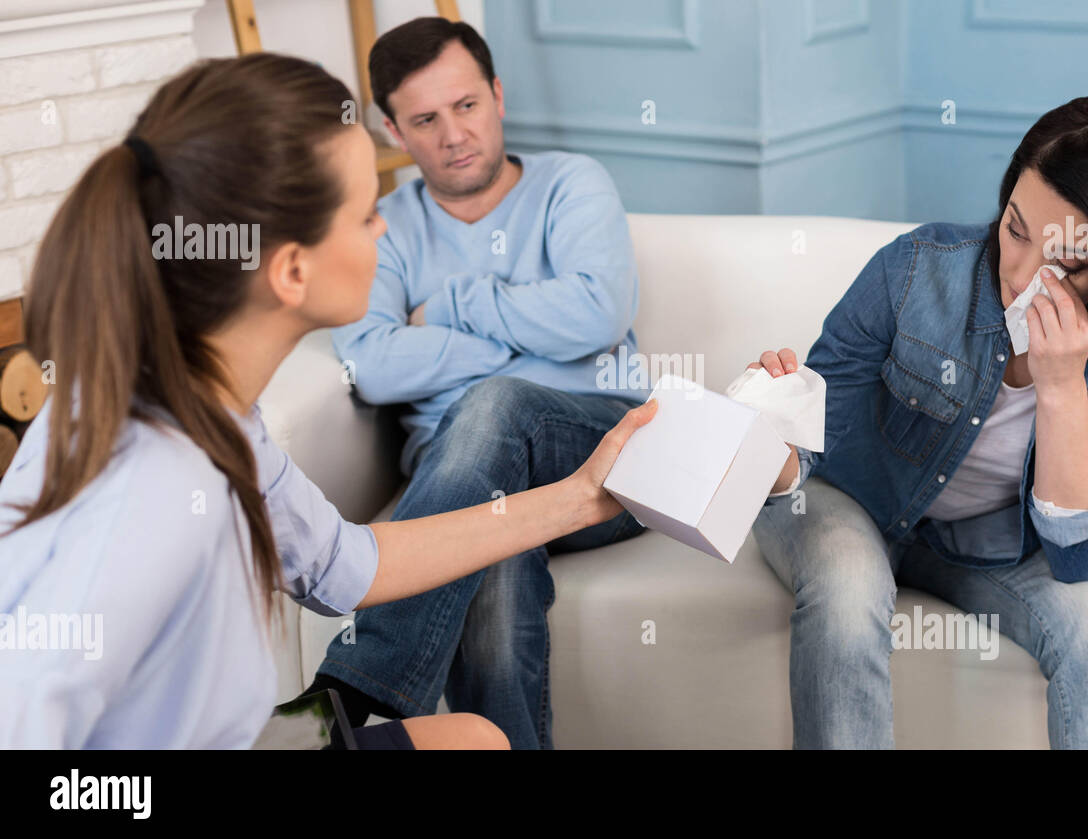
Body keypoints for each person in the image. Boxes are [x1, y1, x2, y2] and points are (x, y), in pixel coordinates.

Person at [0, 52, 655, 750]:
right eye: (366, 214)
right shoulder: (158, 489)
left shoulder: (215, 416)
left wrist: (582, 495)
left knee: (477, 740)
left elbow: (348, 564)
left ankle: (339, 710)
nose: (385, 230)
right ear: (290, 269)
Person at [751, 93, 1088, 748]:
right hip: (846, 503)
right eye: (1016, 228)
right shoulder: (914, 271)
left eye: (1065, 261)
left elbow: (1083, 558)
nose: (1019, 273)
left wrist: (1061, 388)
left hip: (987, 544)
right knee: (848, 587)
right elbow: (821, 429)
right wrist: (777, 443)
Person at [303, 17, 645, 750]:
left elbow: (598, 312)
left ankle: (350, 690)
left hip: (607, 454)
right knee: (488, 556)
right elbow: (371, 363)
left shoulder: (570, 184)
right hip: (469, 477)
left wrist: (451, 309)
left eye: (466, 106)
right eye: (425, 119)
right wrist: (523, 336)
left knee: (496, 404)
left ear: (496, 94)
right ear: (395, 130)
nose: (454, 134)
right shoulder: (382, 226)